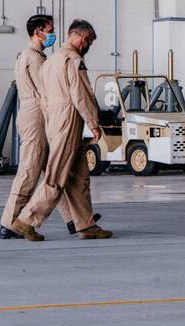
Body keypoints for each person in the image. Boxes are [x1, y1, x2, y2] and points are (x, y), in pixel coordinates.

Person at [8, 19, 112, 241]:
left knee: (79, 176)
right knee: (56, 176)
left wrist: (49, 122)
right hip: (69, 119)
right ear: (84, 38)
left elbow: (43, 97)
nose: (89, 46)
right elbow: (81, 94)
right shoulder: (73, 60)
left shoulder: (50, 61)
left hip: (54, 120)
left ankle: (86, 225)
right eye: (90, 42)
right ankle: (26, 221)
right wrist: (93, 123)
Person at [0, 15, 73, 240]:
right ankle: (9, 223)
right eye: (50, 30)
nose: (52, 34)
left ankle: (74, 219)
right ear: (38, 32)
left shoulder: (27, 56)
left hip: (32, 113)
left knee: (55, 171)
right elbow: (47, 92)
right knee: (29, 170)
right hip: (37, 115)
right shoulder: (36, 59)